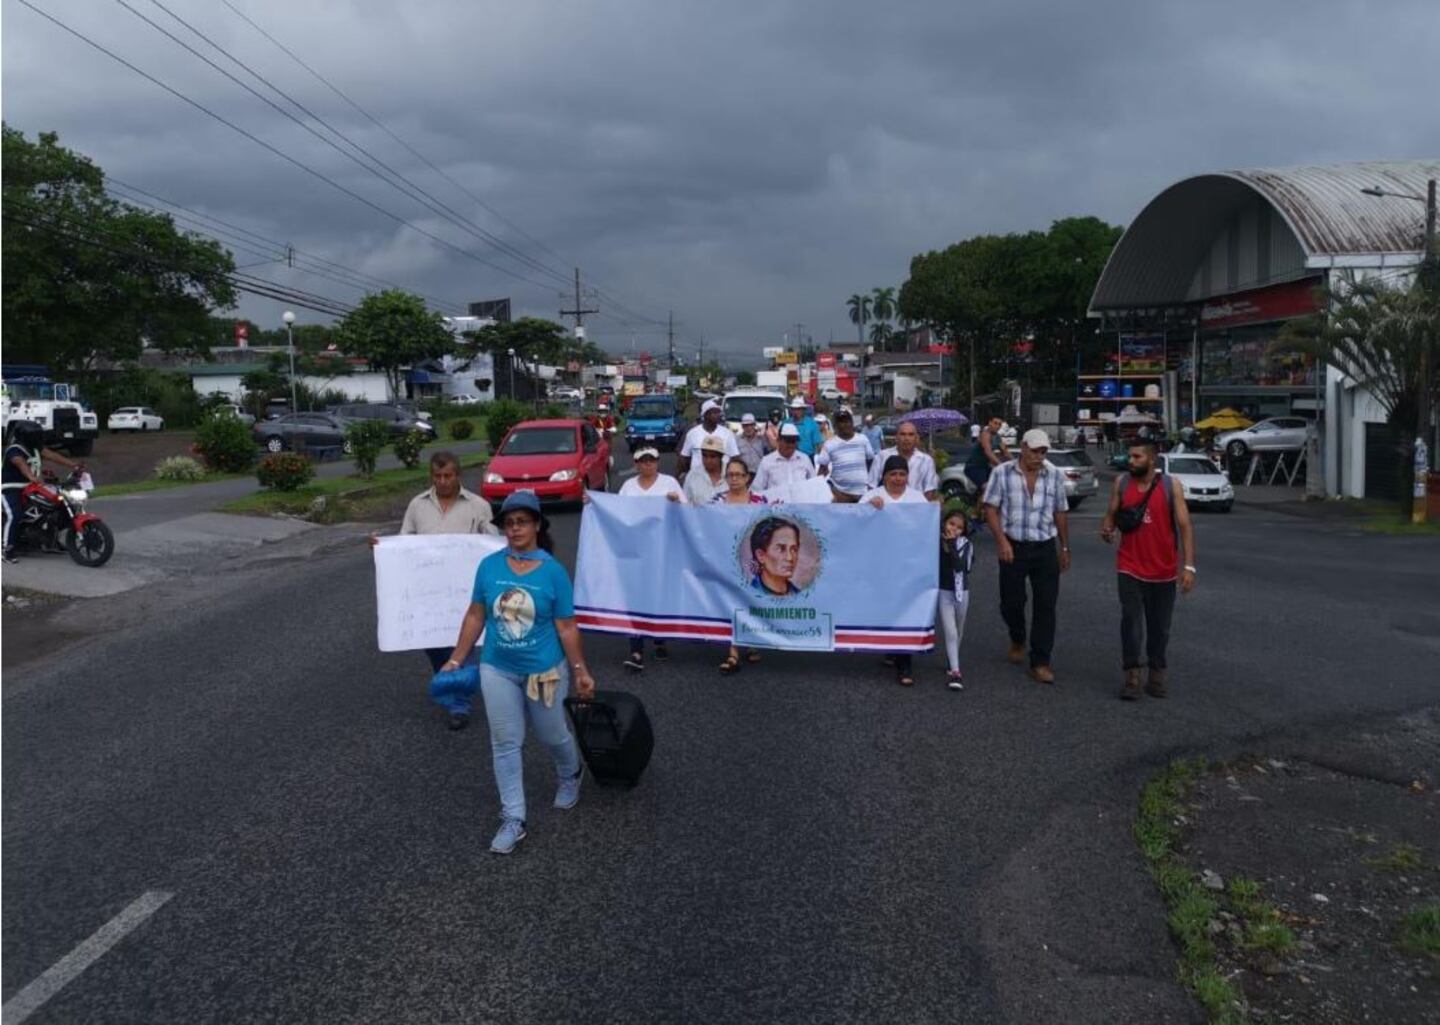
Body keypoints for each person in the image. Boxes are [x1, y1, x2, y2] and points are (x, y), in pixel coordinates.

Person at [443, 490, 596, 855]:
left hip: (544, 671)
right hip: (498, 668)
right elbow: (476, 615)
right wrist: (456, 658)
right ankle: (514, 817)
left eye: (522, 522)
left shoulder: (553, 572)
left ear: (537, 525)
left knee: (552, 733)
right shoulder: (489, 567)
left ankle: (570, 772)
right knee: (505, 742)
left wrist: (580, 670)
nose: (514, 529)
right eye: (509, 523)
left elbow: (566, 628)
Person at [369, 451, 497, 730]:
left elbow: (492, 544)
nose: (442, 481)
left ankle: (459, 704)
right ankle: (449, 679)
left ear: (458, 475)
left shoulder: (478, 506)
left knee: (463, 644)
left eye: (448, 475)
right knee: (434, 645)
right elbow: (405, 543)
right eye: (437, 476)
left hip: (465, 592)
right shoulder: (418, 505)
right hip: (427, 593)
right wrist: (383, 548)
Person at [1101, 438, 1197, 701]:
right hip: (1129, 566)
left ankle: (1156, 673)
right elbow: (1111, 514)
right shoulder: (1121, 483)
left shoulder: (1170, 486)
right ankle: (1132, 675)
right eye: (1130, 456)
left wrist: (1189, 567)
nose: (1130, 461)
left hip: (1163, 570)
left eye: (1137, 457)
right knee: (1131, 622)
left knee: (1160, 627)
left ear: (1151, 459)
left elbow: (1185, 526)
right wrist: (1107, 528)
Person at [983, 428, 1070, 684]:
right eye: (1034, 451)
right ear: (1023, 447)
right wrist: (1002, 542)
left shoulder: (1054, 474)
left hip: (1044, 546)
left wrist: (1065, 547)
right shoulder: (1002, 473)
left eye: (1043, 452)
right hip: (1013, 545)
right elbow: (990, 509)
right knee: (1011, 602)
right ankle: (1017, 636)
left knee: (1046, 605)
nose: (1039, 456)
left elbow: (1060, 511)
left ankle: (1040, 661)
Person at [616, 446, 682, 671]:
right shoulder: (628, 486)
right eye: (643, 461)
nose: (647, 465)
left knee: (658, 596)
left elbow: (685, 512)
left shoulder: (669, 483)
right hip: (636, 551)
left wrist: (676, 502)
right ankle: (636, 650)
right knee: (635, 597)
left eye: (651, 460)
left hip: (663, 550)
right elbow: (616, 512)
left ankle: (659, 639)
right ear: (636, 464)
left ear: (657, 462)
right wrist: (592, 503)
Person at [2, 421, 84, 563]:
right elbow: (21, 464)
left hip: (32, 486)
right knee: (14, 515)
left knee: (58, 506)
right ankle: (6, 550)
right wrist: (32, 477)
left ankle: (50, 541)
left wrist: (74, 465)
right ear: (26, 437)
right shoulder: (14, 450)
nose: (39, 438)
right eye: (36, 436)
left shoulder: (35, 448)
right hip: (10, 488)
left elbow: (53, 456)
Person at [713, 456, 766, 674]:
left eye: (738, 475)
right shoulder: (716, 502)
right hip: (725, 560)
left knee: (750, 603)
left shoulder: (760, 501)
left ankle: (751, 641)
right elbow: (700, 521)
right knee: (731, 604)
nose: (734, 479)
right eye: (730, 475)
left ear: (747, 478)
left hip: (752, 561)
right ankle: (733, 652)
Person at [937, 504, 975, 691]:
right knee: (950, 631)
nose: (954, 529)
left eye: (959, 527)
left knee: (959, 630)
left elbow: (960, 567)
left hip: (962, 592)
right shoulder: (935, 541)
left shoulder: (965, 544)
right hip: (944, 592)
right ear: (944, 523)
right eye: (951, 524)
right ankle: (956, 672)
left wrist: (952, 545)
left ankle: (952, 659)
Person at [816, 408, 875, 502]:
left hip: (863, 494)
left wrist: (870, 486)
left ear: (852, 423)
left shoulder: (863, 439)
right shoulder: (829, 444)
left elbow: (871, 463)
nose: (845, 424)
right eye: (841, 422)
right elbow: (822, 471)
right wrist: (827, 491)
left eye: (847, 421)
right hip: (839, 494)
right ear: (836, 425)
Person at [868, 422, 939, 500]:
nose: (906, 438)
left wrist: (922, 505)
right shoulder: (882, 456)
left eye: (911, 434)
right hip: (886, 505)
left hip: (916, 505)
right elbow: (871, 486)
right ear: (896, 437)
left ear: (916, 438)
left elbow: (929, 490)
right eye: (903, 434)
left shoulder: (926, 461)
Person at [678, 399, 738, 476]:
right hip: (698, 477)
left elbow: (735, 456)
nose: (718, 415)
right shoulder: (692, 433)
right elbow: (684, 457)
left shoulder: (727, 433)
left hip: (722, 477)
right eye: (714, 412)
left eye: (718, 412)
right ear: (706, 414)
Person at [752, 422, 816, 494]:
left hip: (801, 500)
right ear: (779, 440)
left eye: (793, 441)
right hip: (776, 500)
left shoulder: (804, 459)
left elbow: (814, 485)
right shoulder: (767, 461)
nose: (790, 445)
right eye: (787, 441)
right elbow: (756, 489)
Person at [748, 516, 802, 597]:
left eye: (794, 549)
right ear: (761, 555)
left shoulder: (799, 595)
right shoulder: (747, 595)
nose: (790, 558)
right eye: (781, 549)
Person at [963, 416, 1011, 493]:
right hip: (974, 467)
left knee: (998, 485)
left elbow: (1005, 452)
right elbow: (988, 452)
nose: (997, 426)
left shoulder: (997, 437)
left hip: (985, 467)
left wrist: (1016, 463)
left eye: (999, 424)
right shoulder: (985, 434)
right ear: (990, 423)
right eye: (995, 423)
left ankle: (978, 497)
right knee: (988, 489)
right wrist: (1000, 464)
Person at [862, 454, 929, 507]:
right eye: (893, 474)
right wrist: (868, 505)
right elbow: (858, 515)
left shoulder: (918, 498)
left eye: (902, 474)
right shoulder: (871, 495)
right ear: (885, 477)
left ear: (907, 477)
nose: (898, 478)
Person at [683, 434, 729, 505]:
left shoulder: (731, 473)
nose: (708, 460)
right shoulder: (692, 475)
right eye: (704, 456)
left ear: (721, 456)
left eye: (712, 456)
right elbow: (685, 503)